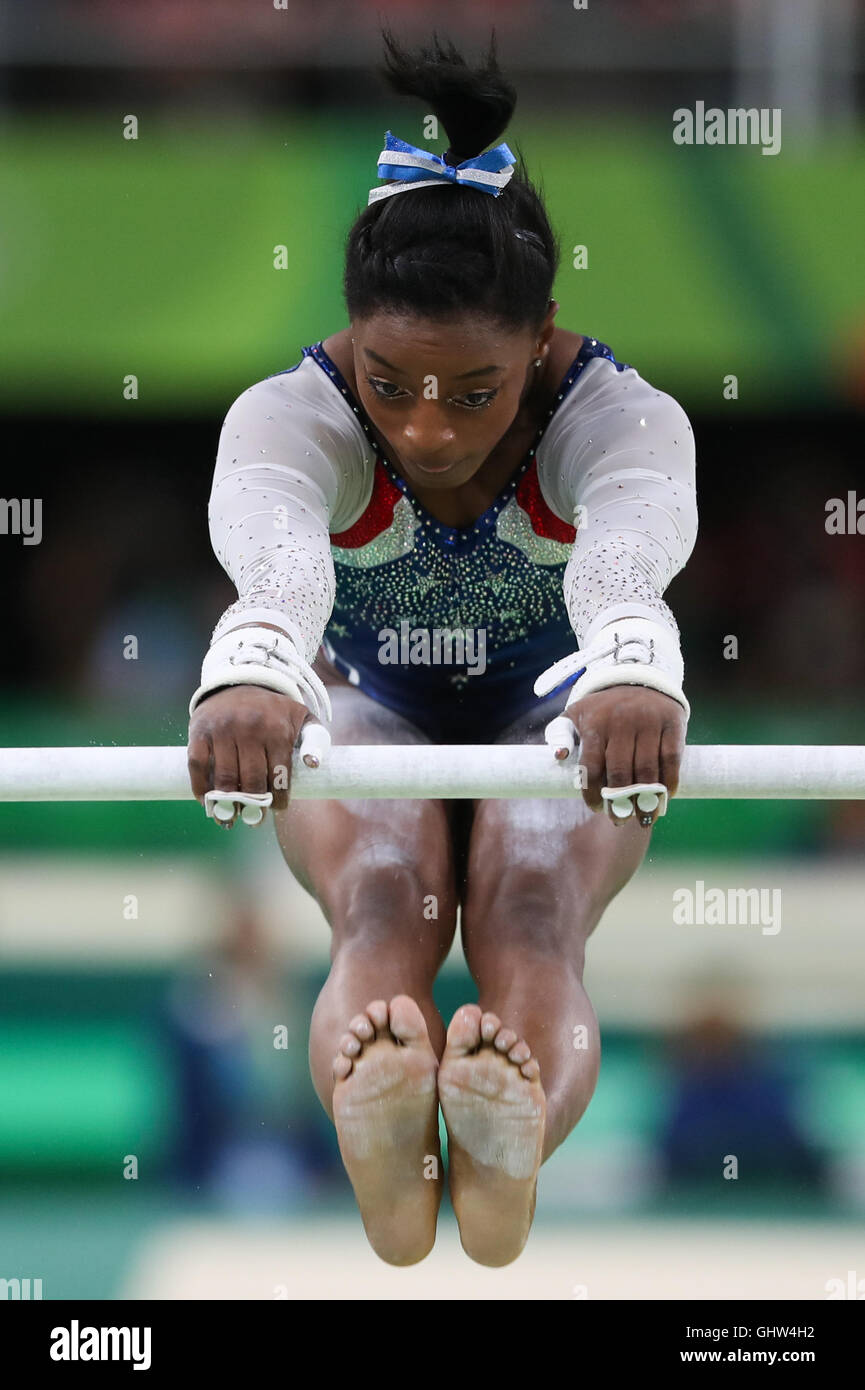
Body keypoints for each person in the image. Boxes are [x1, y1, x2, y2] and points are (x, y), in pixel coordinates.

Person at [187, 28, 697, 1267]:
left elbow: (626, 555)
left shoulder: (619, 416)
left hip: (551, 709)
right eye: (390, 381)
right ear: (350, 337)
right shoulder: (291, 417)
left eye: (475, 391)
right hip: (373, 709)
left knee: (530, 903)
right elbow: (280, 568)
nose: (423, 428)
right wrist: (253, 665)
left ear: (541, 339)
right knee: (378, 892)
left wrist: (635, 661)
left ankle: (499, 1157)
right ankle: (392, 1162)